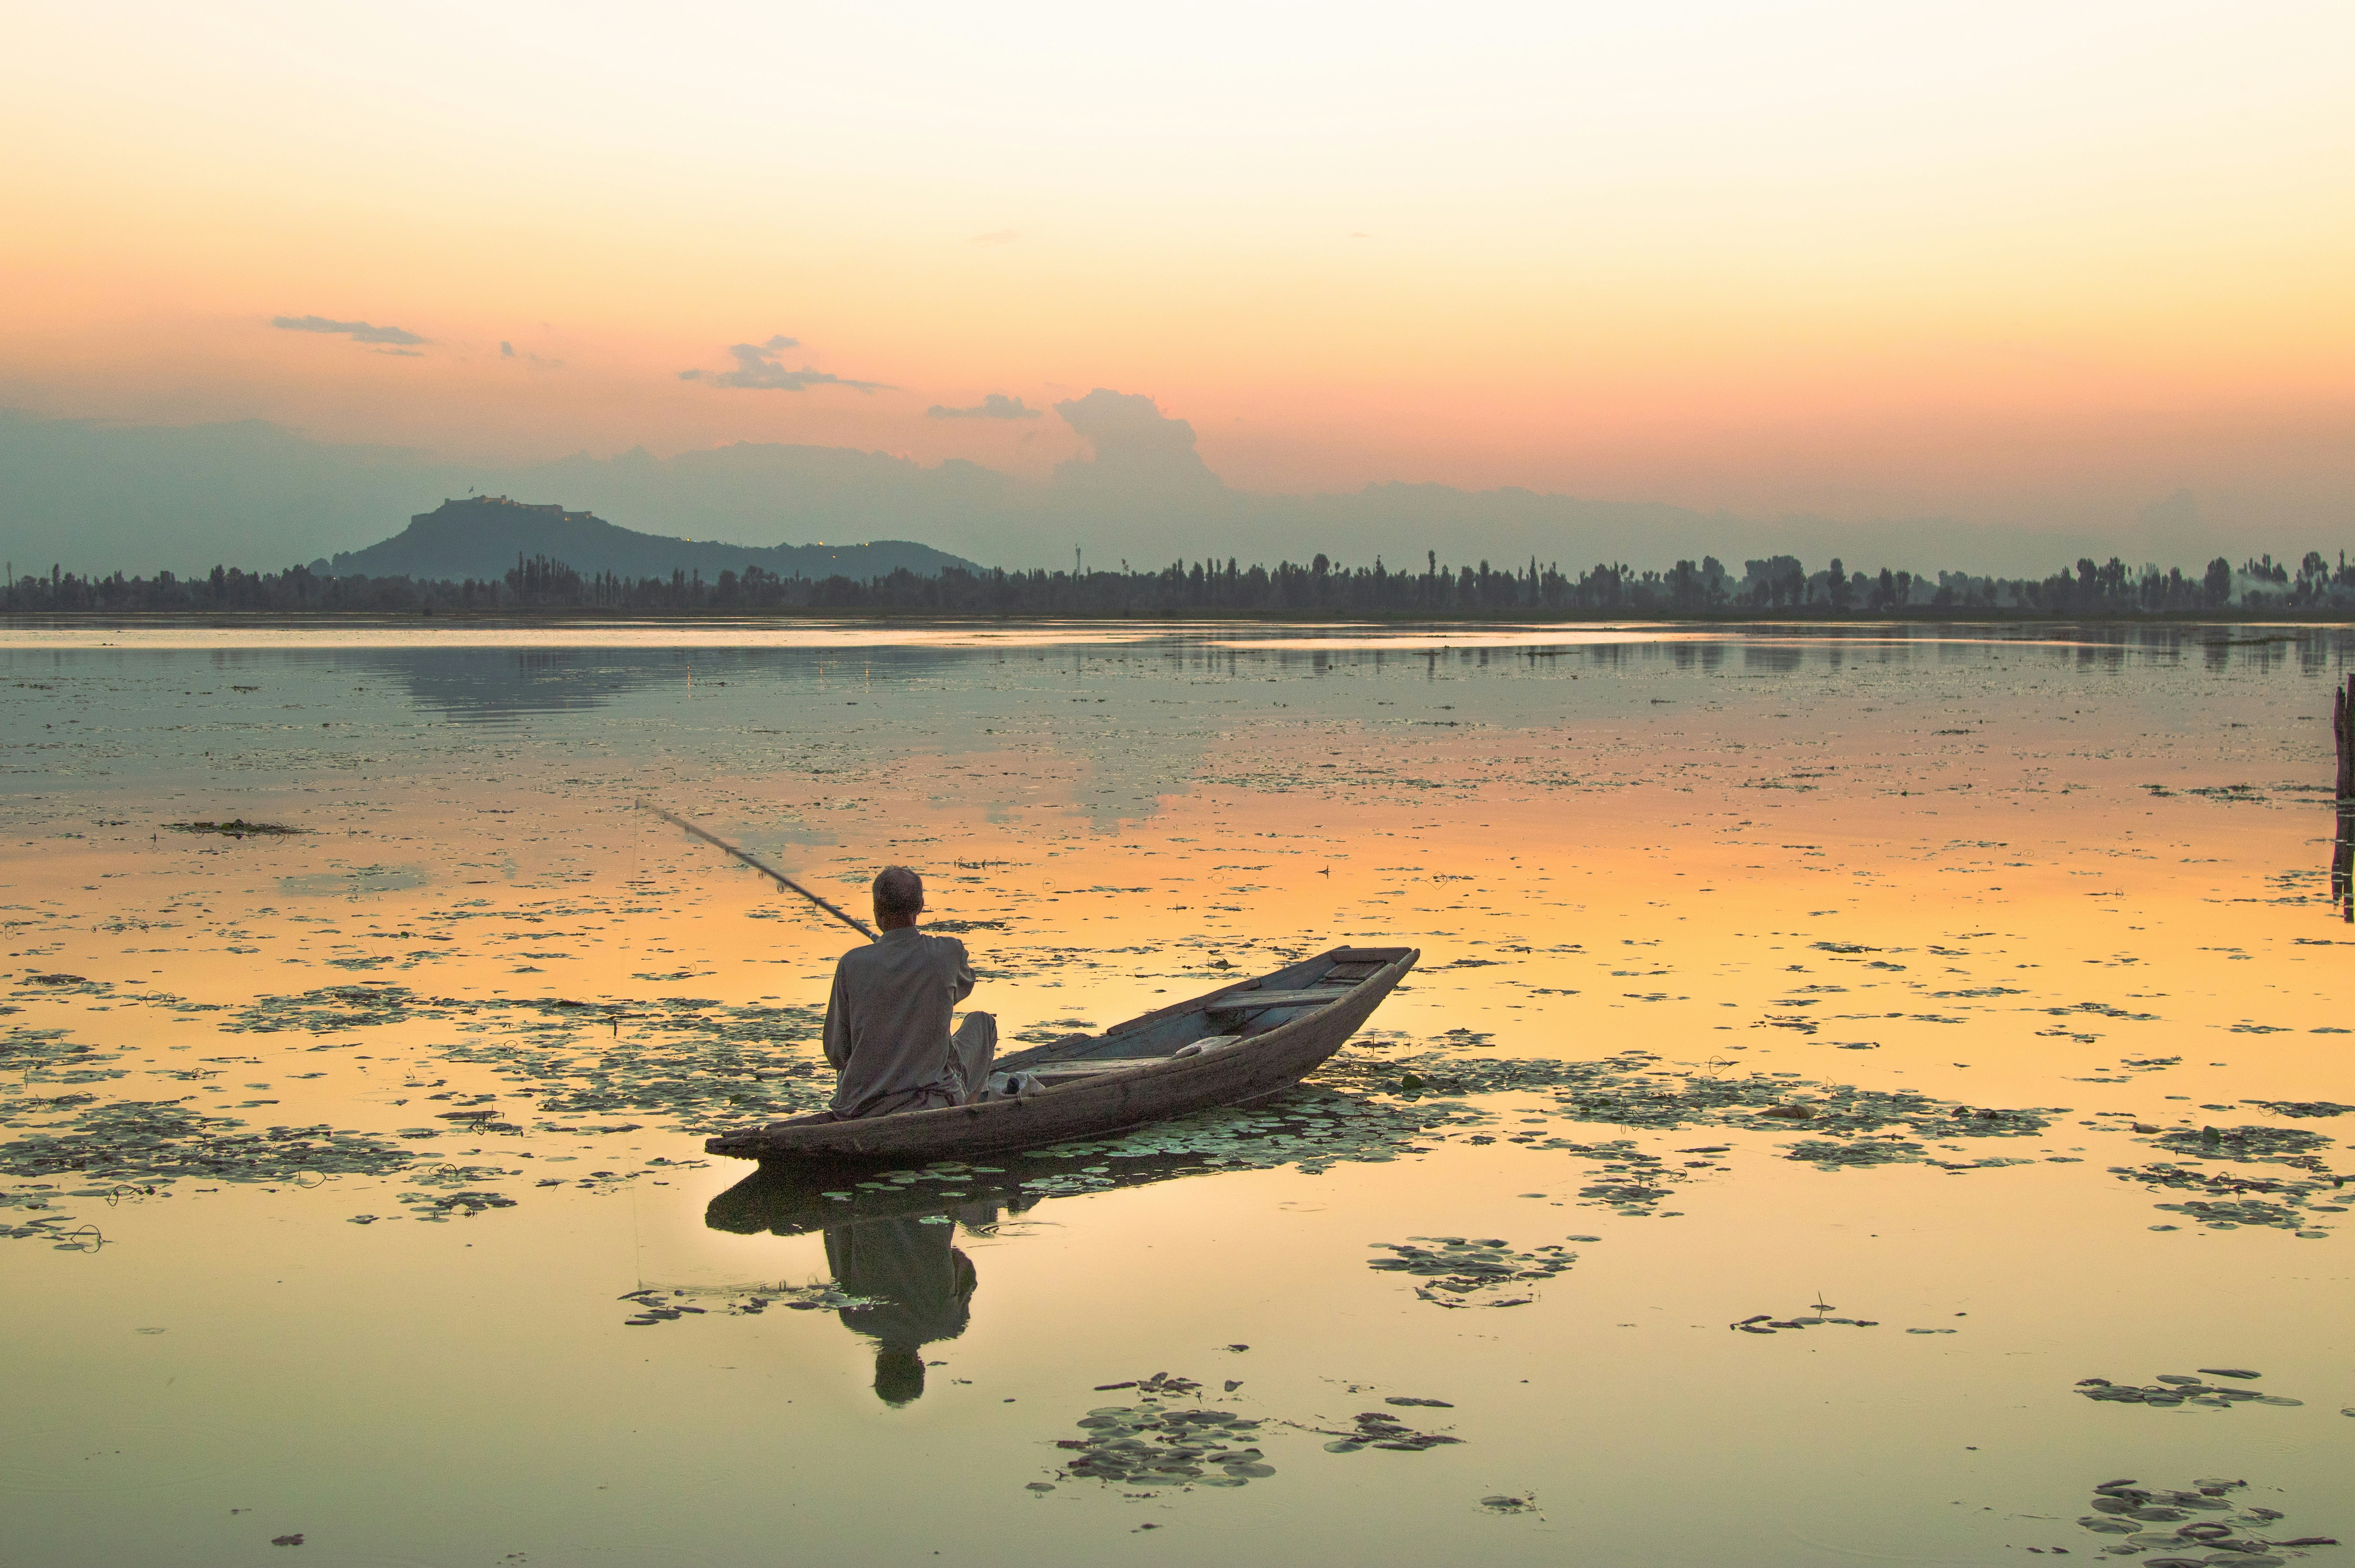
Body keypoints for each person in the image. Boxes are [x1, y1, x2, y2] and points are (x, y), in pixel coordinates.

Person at [822, 865, 996, 1119]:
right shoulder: (948, 953)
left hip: (862, 1108)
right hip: (930, 1104)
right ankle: (964, 1117)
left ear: (877, 911)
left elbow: (838, 1055)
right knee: (983, 1023)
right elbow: (962, 987)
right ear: (921, 906)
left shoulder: (851, 964)